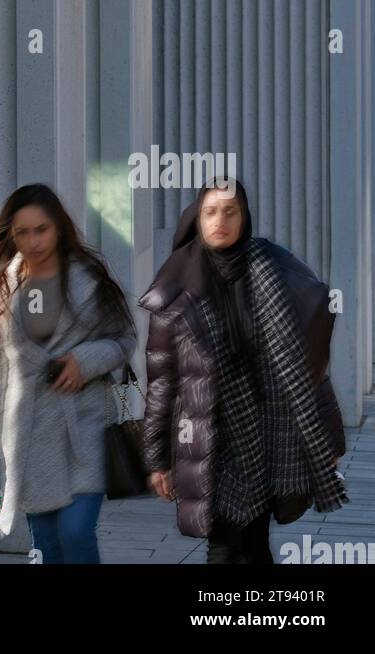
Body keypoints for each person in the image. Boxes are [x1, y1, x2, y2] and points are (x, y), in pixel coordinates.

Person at [139, 176, 348, 564]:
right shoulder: (177, 286)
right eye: (211, 211)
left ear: (244, 216)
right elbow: (162, 380)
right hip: (208, 436)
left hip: (272, 433)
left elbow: (311, 366)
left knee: (250, 543)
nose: (221, 220)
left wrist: (329, 437)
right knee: (225, 546)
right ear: (198, 219)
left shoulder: (274, 271)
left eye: (230, 211)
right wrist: (157, 458)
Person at [0, 183, 137, 563]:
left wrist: (84, 360)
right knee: (45, 544)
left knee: (76, 534)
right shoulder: (2, 287)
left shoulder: (89, 279)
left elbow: (124, 339)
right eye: (22, 232)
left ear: (58, 228)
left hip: (84, 425)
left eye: (41, 229)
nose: (33, 241)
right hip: (29, 432)